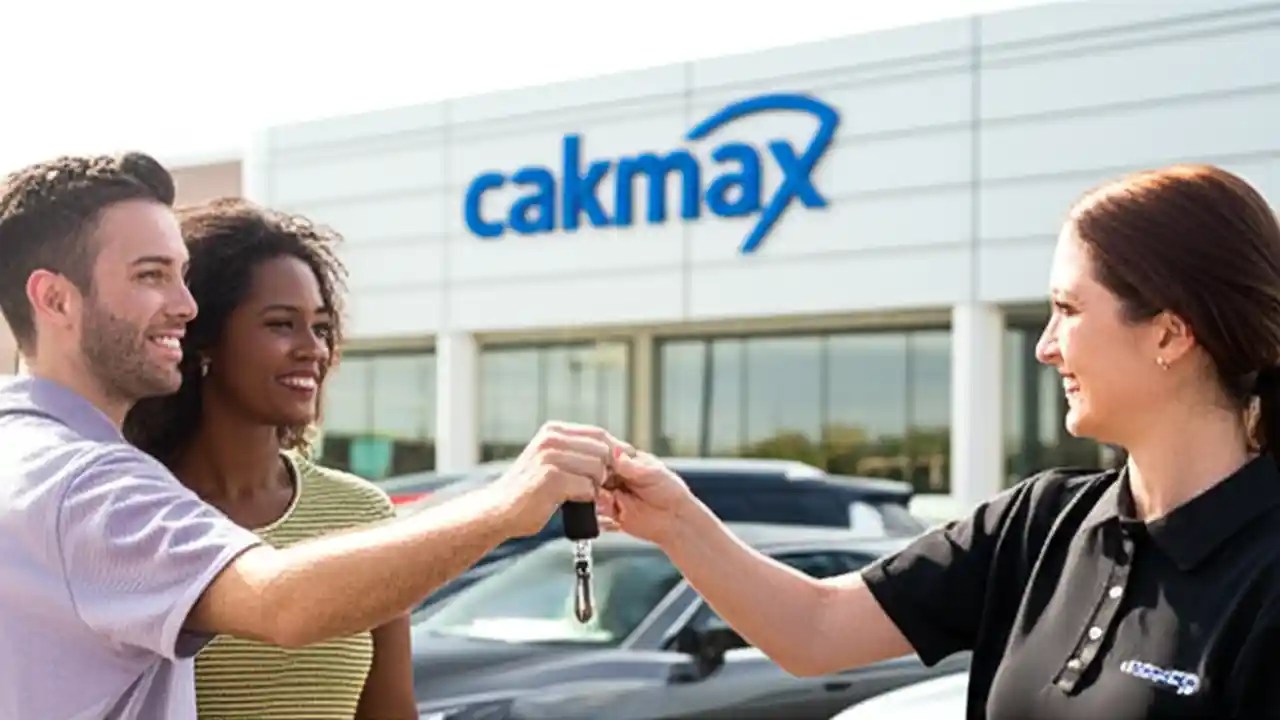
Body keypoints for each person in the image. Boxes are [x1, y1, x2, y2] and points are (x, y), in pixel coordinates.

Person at [599, 163, 1280, 719]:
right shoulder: (1039, 523)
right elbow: (814, 629)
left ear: (1169, 332)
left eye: (1067, 310)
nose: (1045, 347)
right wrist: (675, 521)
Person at [0, 151, 624, 720]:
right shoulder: (95, 486)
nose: (184, 306)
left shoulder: (24, 456)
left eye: (182, 276)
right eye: (150, 275)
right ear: (54, 299)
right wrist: (507, 503)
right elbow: (283, 602)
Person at [120, 198, 413, 718]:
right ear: (203, 339)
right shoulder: (134, 514)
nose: (314, 349)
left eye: (321, 328)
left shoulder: (363, 514)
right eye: (282, 324)